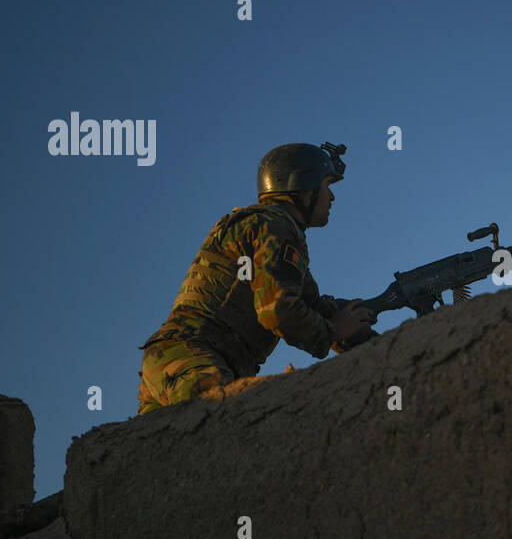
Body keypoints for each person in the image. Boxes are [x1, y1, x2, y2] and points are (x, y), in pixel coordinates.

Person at [136, 142, 377, 414]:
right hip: (193, 356)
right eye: (326, 186)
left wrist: (362, 334)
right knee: (231, 421)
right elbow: (277, 310)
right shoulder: (275, 225)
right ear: (305, 187)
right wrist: (334, 331)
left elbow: (310, 307)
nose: (331, 197)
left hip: (174, 360)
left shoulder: (266, 227)